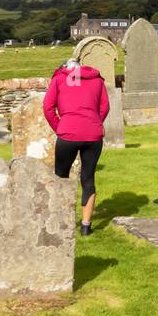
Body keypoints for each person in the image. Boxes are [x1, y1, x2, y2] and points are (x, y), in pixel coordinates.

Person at [42, 57, 110, 236]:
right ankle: (86, 227)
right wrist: (94, 123)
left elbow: (48, 108)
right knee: (88, 179)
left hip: (68, 134)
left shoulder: (58, 79)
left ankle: (60, 222)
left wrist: (60, 127)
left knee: (61, 177)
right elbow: (105, 107)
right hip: (93, 135)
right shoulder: (97, 80)